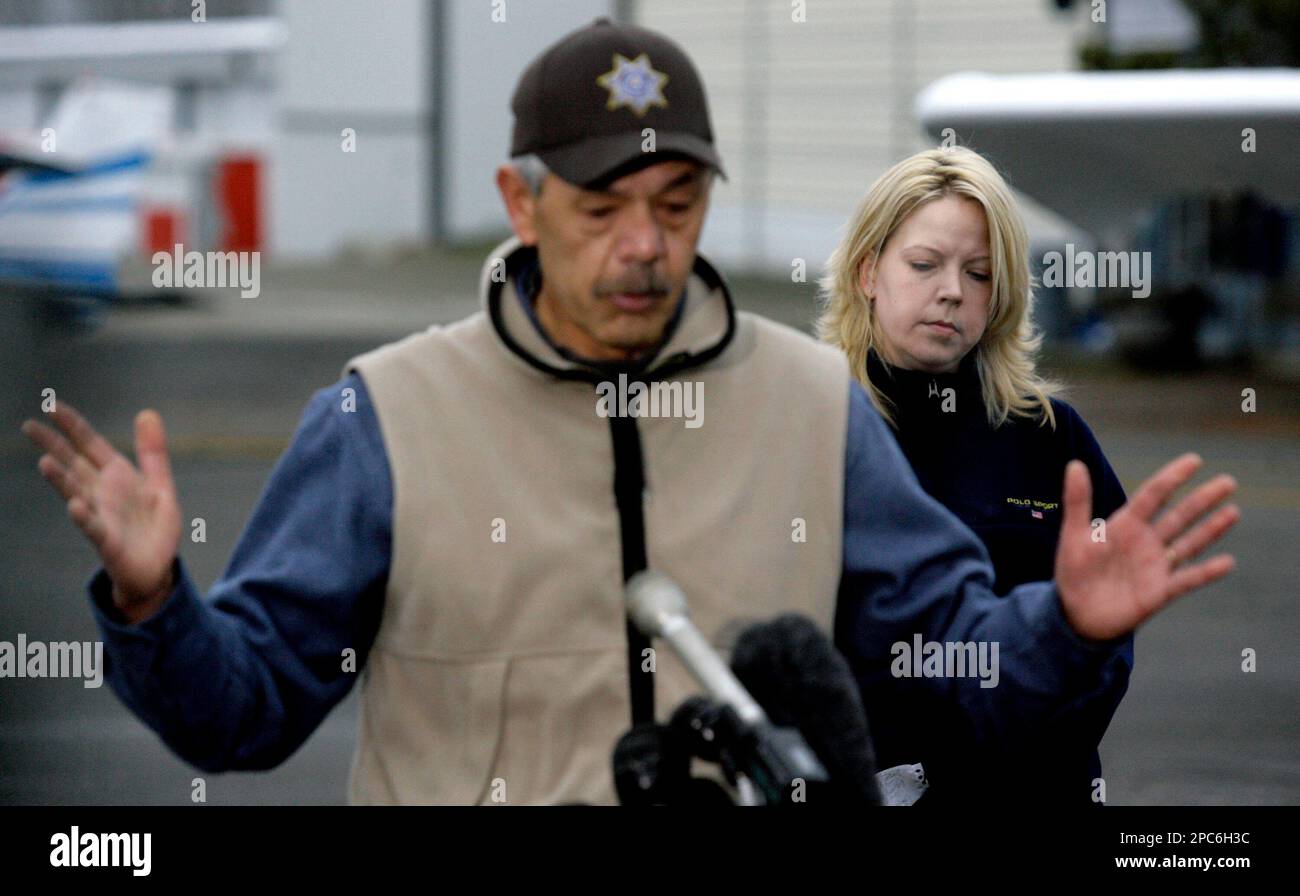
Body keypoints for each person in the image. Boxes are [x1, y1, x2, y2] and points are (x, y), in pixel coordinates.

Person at [21, 19, 1240, 805]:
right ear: (520, 197)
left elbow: (964, 667)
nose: (645, 246)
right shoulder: (383, 417)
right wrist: (154, 604)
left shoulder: (815, 411)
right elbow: (243, 713)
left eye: (676, 199)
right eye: (603, 206)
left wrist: (1064, 629)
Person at [818, 146, 1144, 803]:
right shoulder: (810, 427)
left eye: (979, 274)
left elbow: (1104, 646)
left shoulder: (1054, 439)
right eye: (924, 264)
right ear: (867, 271)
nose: (951, 291)